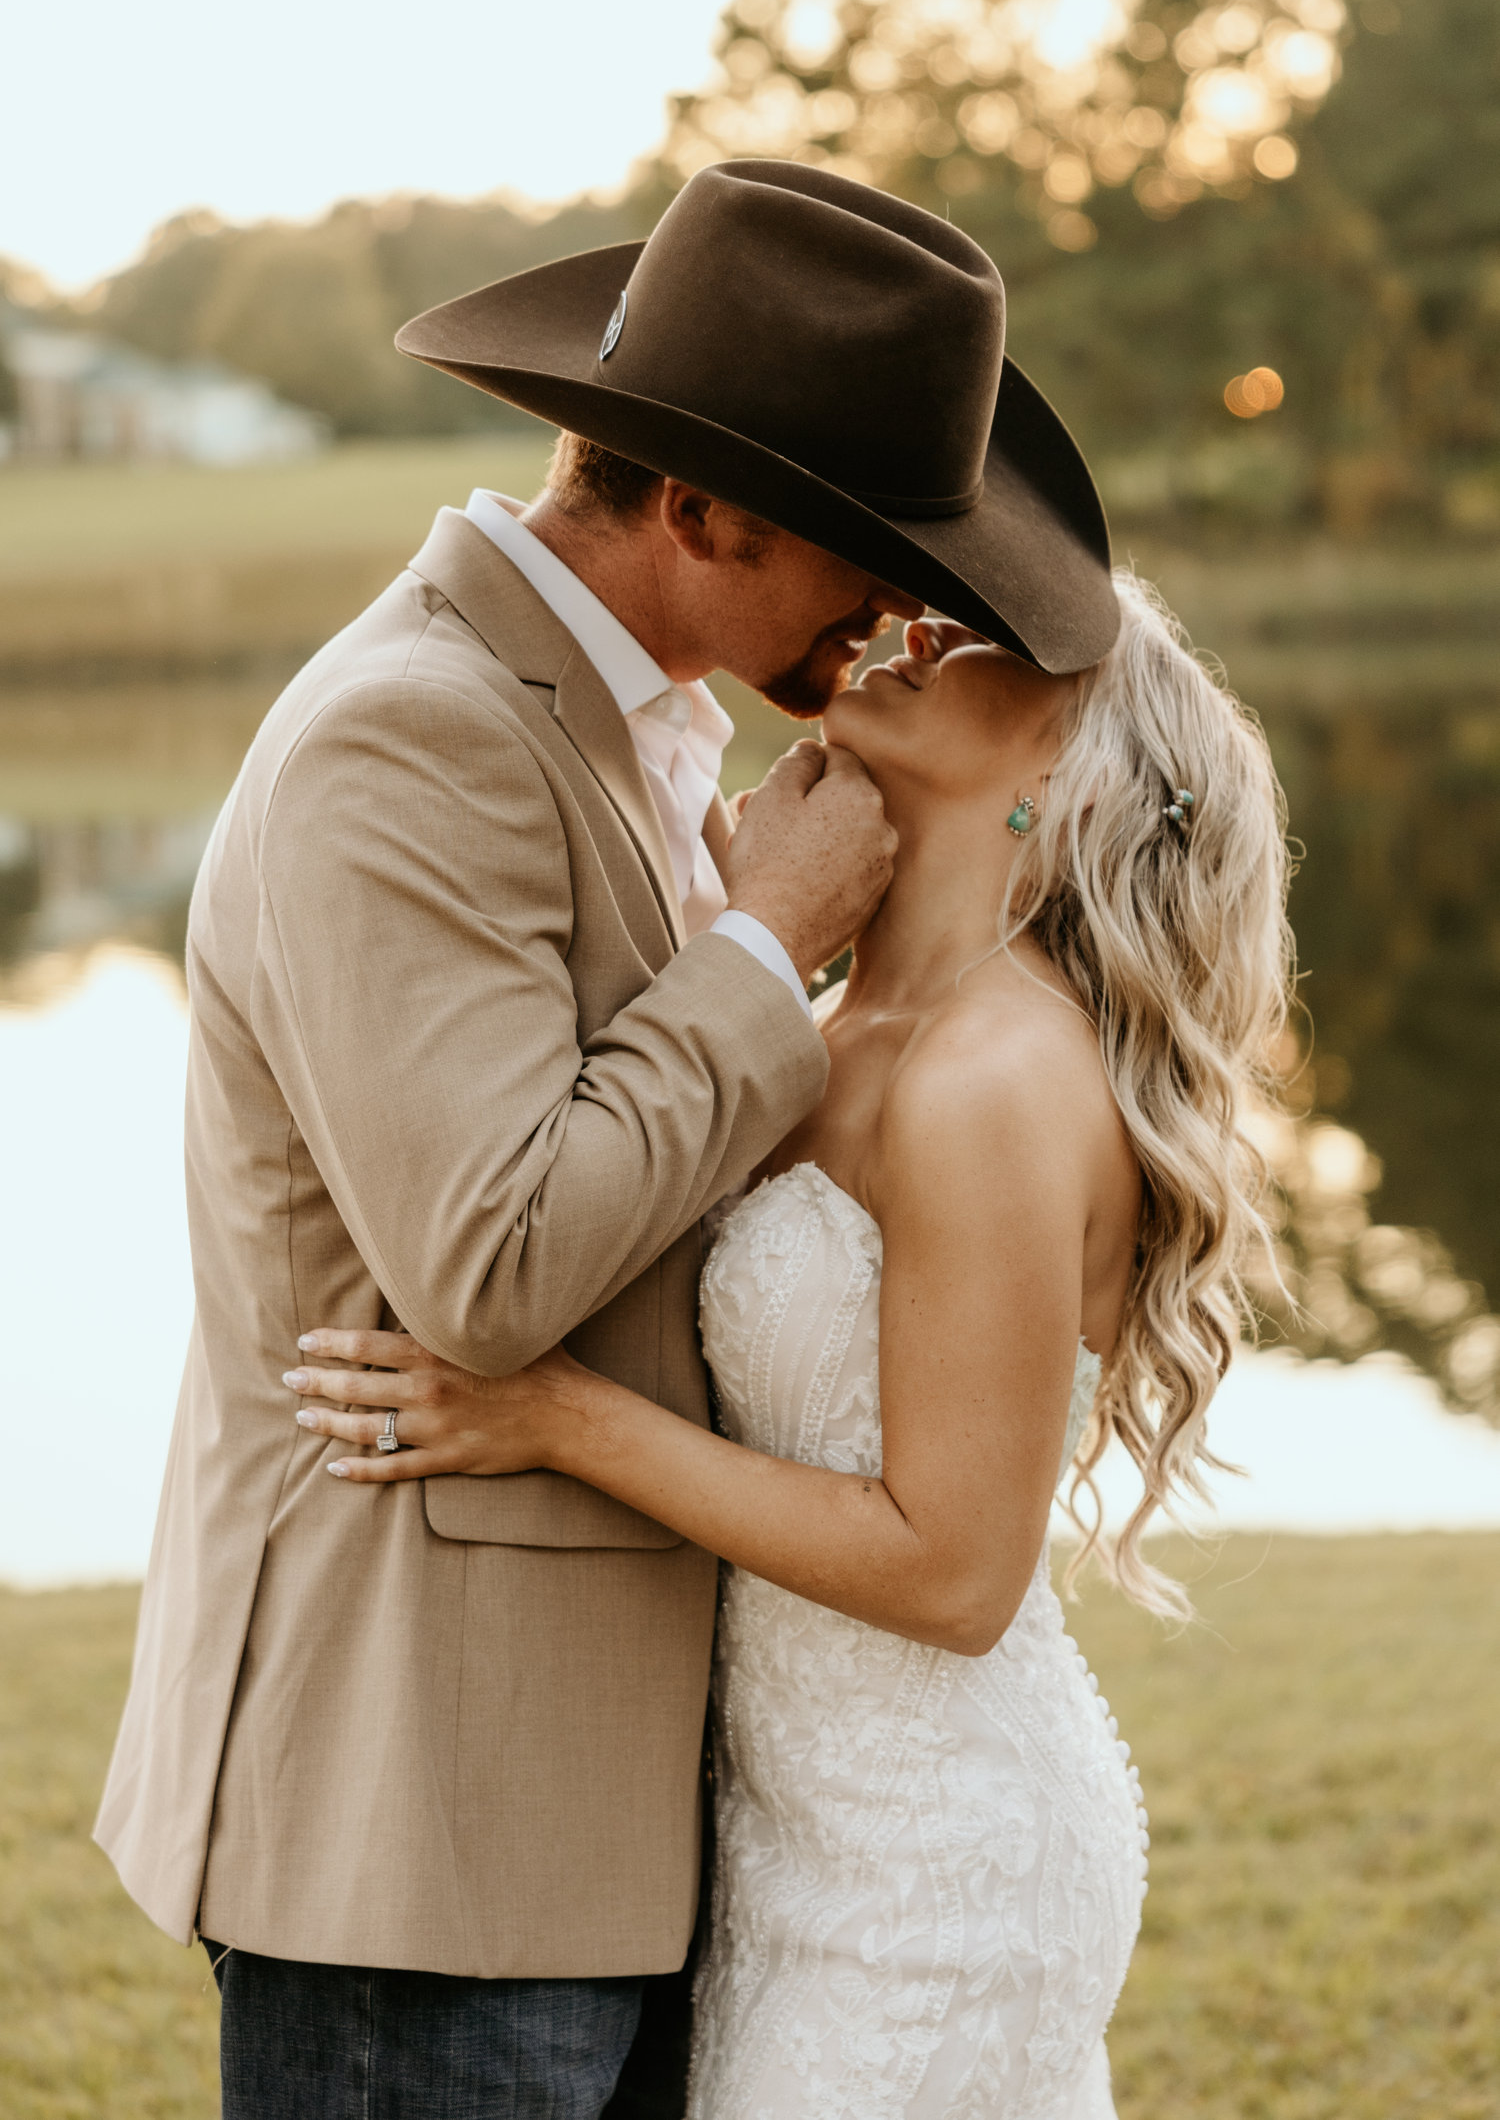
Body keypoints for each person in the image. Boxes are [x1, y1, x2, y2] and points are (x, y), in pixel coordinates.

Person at [96, 159, 1123, 2118]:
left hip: (617, 1825)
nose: (904, 605)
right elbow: (487, 1268)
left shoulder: (626, 727)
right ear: (702, 510)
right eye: (864, 545)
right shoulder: (415, 731)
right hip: (426, 1815)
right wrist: (765, 945)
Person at [285, 573, 1294, 2117]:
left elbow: (956, 1573)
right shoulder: (825, 1037)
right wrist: (738, 921)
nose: (924, 625)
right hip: (781, 1839)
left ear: (1068, 769)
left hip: (933, 1871)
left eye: (997, 641)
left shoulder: (996, 1073)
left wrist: (558, 1417)